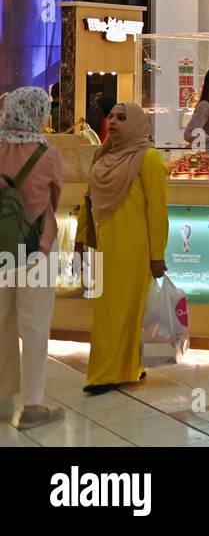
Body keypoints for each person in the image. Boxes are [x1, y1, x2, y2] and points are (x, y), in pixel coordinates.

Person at [80, 103, 168, 394]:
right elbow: (88, 199)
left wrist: (157, 255)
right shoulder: (102, 155)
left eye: (122, 118)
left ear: (136, 124)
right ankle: (128, 367)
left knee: (126, 311)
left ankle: (107, 374)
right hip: (107, 247)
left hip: (136, 250)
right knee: (109, 312)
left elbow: (157, 211)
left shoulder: (149, 159)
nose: (114, 122)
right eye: (112, 117)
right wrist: (82, 237)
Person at [0, 87, 65, 428]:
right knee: (35, 325)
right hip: (36, 250)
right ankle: (33, 404)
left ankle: (2, 397)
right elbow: (56, 198)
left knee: (2, 321)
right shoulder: (47, 154)